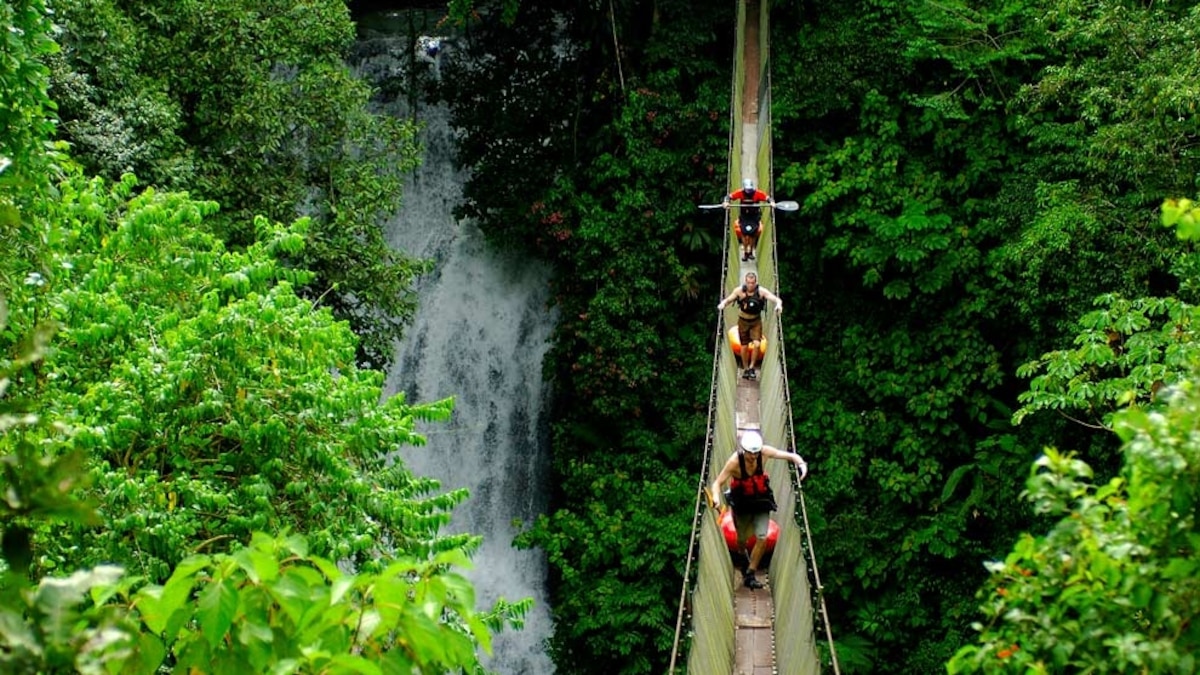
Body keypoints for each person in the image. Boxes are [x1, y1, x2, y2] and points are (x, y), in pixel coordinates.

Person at [711, 430, 808, 589]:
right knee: (741, 539)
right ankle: (743, 558)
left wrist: (802, 464)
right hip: (742, 505)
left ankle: (750, 573)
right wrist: (715, 497)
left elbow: (789, 456)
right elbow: (717, 483)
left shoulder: (764, 453)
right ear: (744, 450)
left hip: (760, 502)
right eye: (750, 454)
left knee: (762, 536)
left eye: (756, 454)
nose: (753, 458)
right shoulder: (734, 462)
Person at [716, 272, 782, 380]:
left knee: (757, 344)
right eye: (748, 283)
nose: (750, 285)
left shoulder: (761, 291)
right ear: (745, 282)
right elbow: (729, 299)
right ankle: (746, 368)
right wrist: (722, 304)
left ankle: (752, 368)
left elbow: (775, 298)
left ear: (756, 282)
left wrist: (778, 305)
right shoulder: (739, 291)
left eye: (752, 283)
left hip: (756, 321)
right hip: (743, 321)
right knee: (744, 345)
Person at [723, 178, 775, 261]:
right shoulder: (740, 193)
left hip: (754, 217)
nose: (749, 191)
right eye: (747, 190)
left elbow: (767, 197)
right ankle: (745, 253)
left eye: (750, 189)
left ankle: (750, 251)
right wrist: (726, 202)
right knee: (744, 233)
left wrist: (771, 202)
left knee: (753, 234)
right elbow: (729, 196)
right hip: (744, 217)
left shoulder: (757, 193)